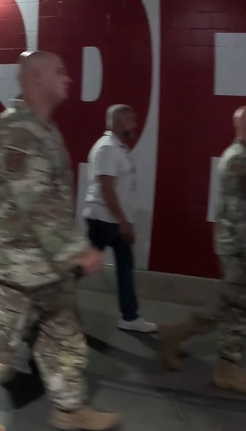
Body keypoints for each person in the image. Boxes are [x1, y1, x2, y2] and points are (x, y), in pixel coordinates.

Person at [0, 50, 119, 431]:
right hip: (11, 261)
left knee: (64, 334)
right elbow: (35, 200)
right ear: (36, 77)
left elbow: (51, 201)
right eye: (60, 71)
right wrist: (77, 250)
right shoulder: (17, 130)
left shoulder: (44, 128)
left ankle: (69, 408)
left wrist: (64, 253)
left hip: (44, 263)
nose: (69, 78)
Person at [158, 106, 246, 395]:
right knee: (239, 309)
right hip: (239, 250)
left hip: (234, 248)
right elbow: (240, 214)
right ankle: (225, 368)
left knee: (231, 306)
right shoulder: (242, 162)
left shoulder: (238, 157)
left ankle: (176, 334)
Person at [82, 104, 156, 333]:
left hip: (113, 219)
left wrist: (126, 220)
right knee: (82, 267)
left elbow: (120, 190)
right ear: (115, 122)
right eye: (128, 118)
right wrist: (123, 222)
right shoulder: (108, 148)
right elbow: (107, 189)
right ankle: (44, 301)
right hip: (103, 220)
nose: (134, 122)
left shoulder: (119, 148)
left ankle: (130, 316)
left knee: (124, 266)